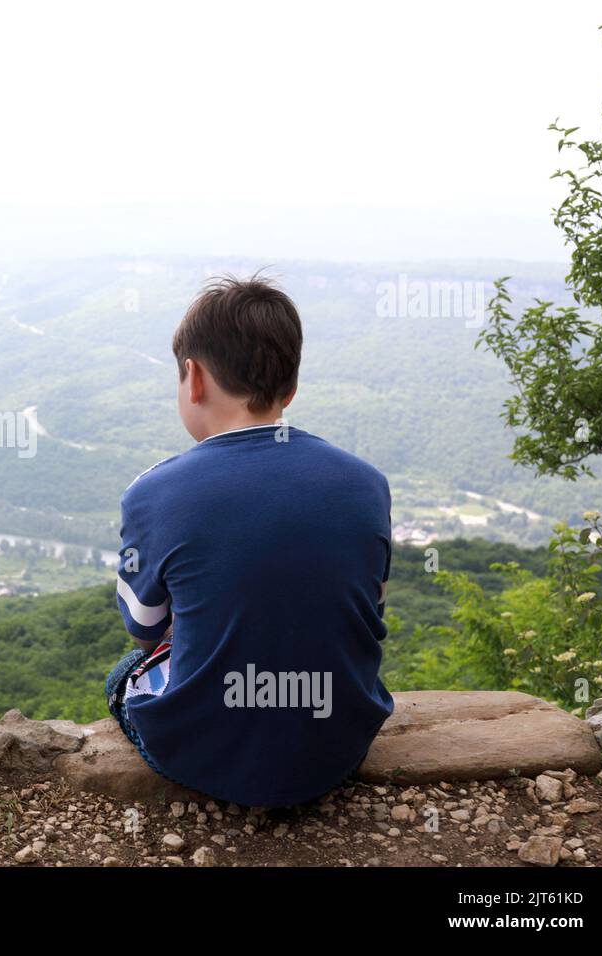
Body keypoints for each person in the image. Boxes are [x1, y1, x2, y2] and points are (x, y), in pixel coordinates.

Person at [108, 275, 394, 807]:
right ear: (291, 386)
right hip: (339, 747)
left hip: (203, 756)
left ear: (193, 378)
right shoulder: (366, 483)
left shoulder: (155, 493)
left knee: (121, 673)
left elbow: (145, 631)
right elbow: (368, 618)